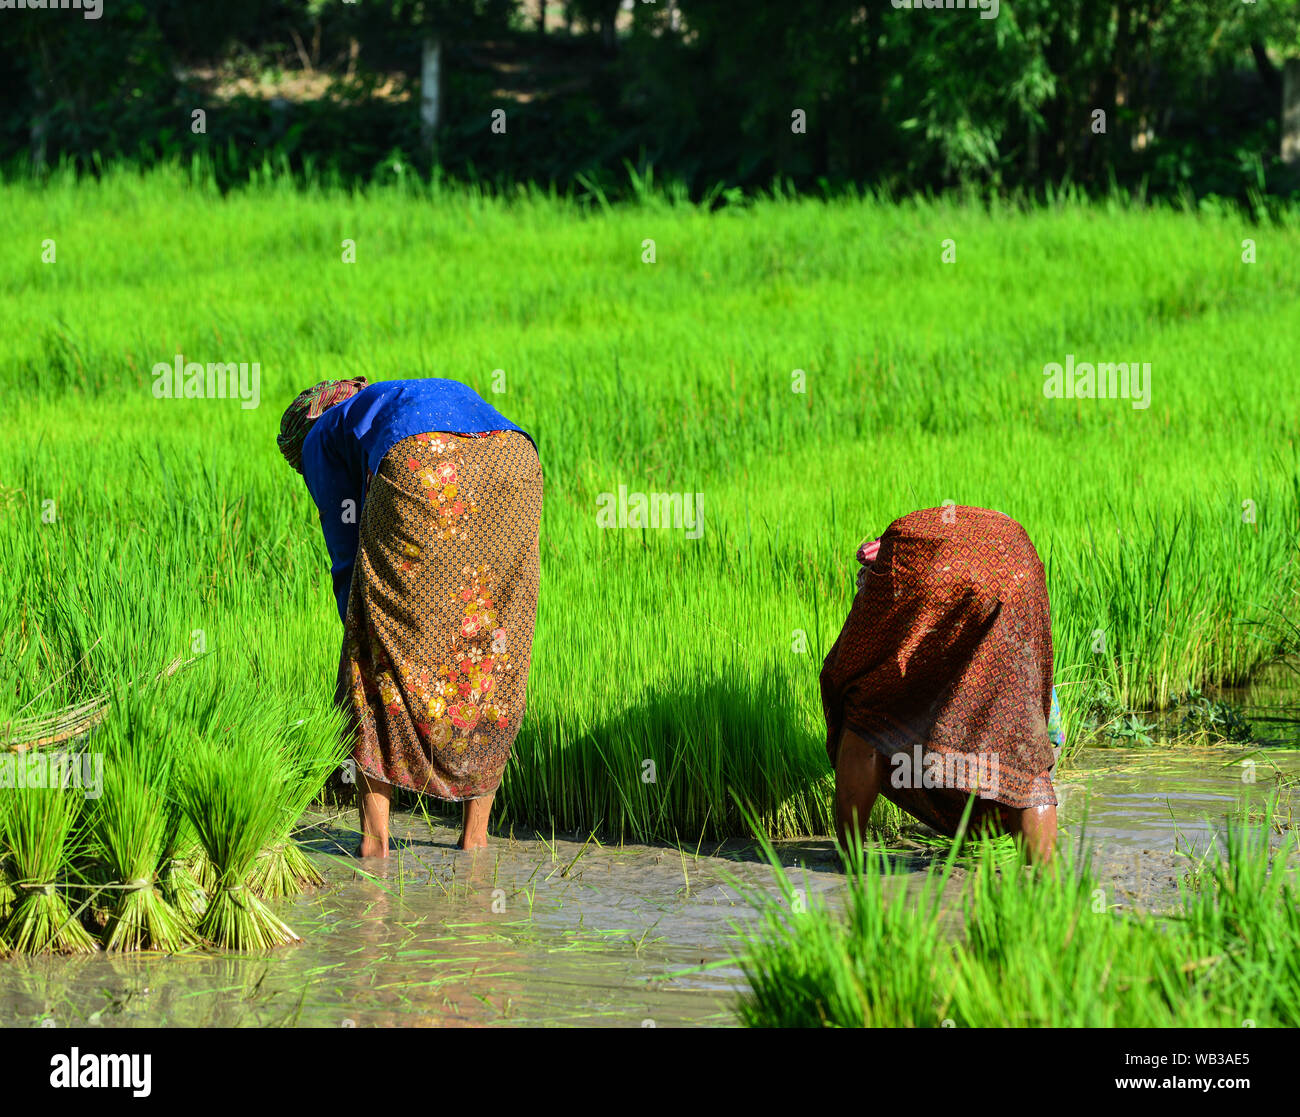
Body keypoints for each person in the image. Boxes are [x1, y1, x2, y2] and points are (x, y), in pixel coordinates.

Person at [277, 377, 543, 854]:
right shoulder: (387, 403)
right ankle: (475, 841)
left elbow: (346, 546)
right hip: (516, 463)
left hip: (422, 461)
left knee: (370, 658)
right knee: (491, 643)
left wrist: (362, 628)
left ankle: (375, 845)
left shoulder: (319, 434)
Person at [820, 505, 1064, 863]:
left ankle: (850, 859)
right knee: (1023, 752)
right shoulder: (1018, 668)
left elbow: (858, 675)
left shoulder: (898, 569)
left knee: (866, 711)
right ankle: (1048, 886)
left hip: (927, 569)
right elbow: (1044, 729)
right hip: (1017, 568)